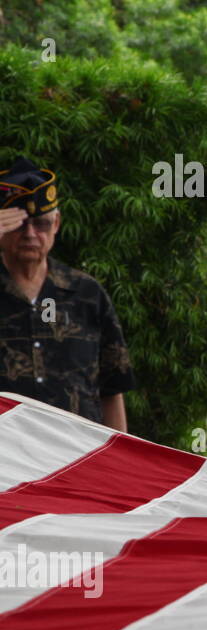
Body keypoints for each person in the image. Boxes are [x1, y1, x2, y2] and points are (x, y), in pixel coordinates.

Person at [0, 158, 133, 430]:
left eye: (41, 224)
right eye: (18, 224)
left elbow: (112, 387)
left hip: (74, 459)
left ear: (57, 224)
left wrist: (114, 460)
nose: (30, 234)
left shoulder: (86, 293)